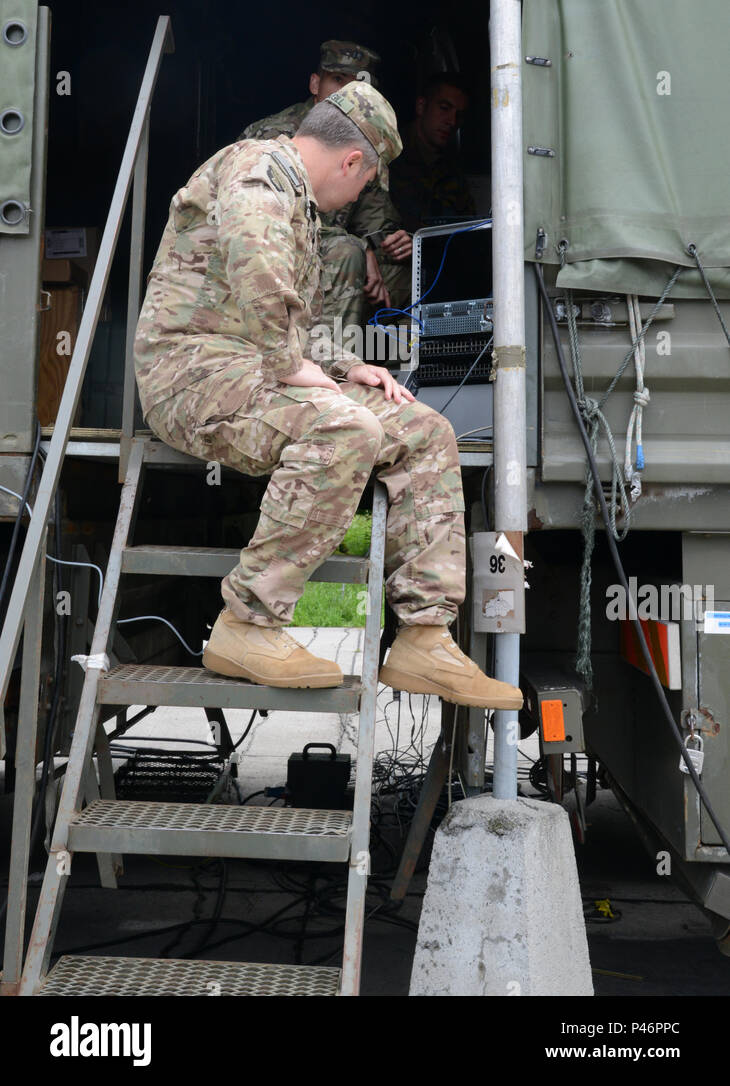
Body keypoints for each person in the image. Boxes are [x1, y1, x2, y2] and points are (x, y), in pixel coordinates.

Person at [134, 80, 521, 710]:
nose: (362, 194)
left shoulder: (295, 197)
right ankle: (248, 622)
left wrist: (344, 365)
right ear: (351, 162)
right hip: (192, 375)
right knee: (345, 428)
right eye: (367, 183)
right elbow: (256, 264)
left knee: (424, 430)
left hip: (253, 368)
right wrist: (295, 366)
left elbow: (296, 319)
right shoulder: (259, 168)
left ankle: (424, 637)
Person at [241, 40, 412, 328]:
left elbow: (374, 215)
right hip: (286, 249)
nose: (345, 92)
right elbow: (270, 224)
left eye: (356, 84)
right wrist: (361, 247)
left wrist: (391, 242)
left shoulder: (363, 145)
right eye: (337, 80)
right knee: (347, 253)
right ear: (314, 84)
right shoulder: (275, 135)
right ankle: (326, 359)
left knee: (402, 270)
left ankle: (379, 358)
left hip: (336, 249)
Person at [388, 72, 476, 233]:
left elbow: (468, 224)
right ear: (421, 106)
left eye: (459, 115)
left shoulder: (452, 169)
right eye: (444, 108)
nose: (452, 121)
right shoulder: (390, 154)